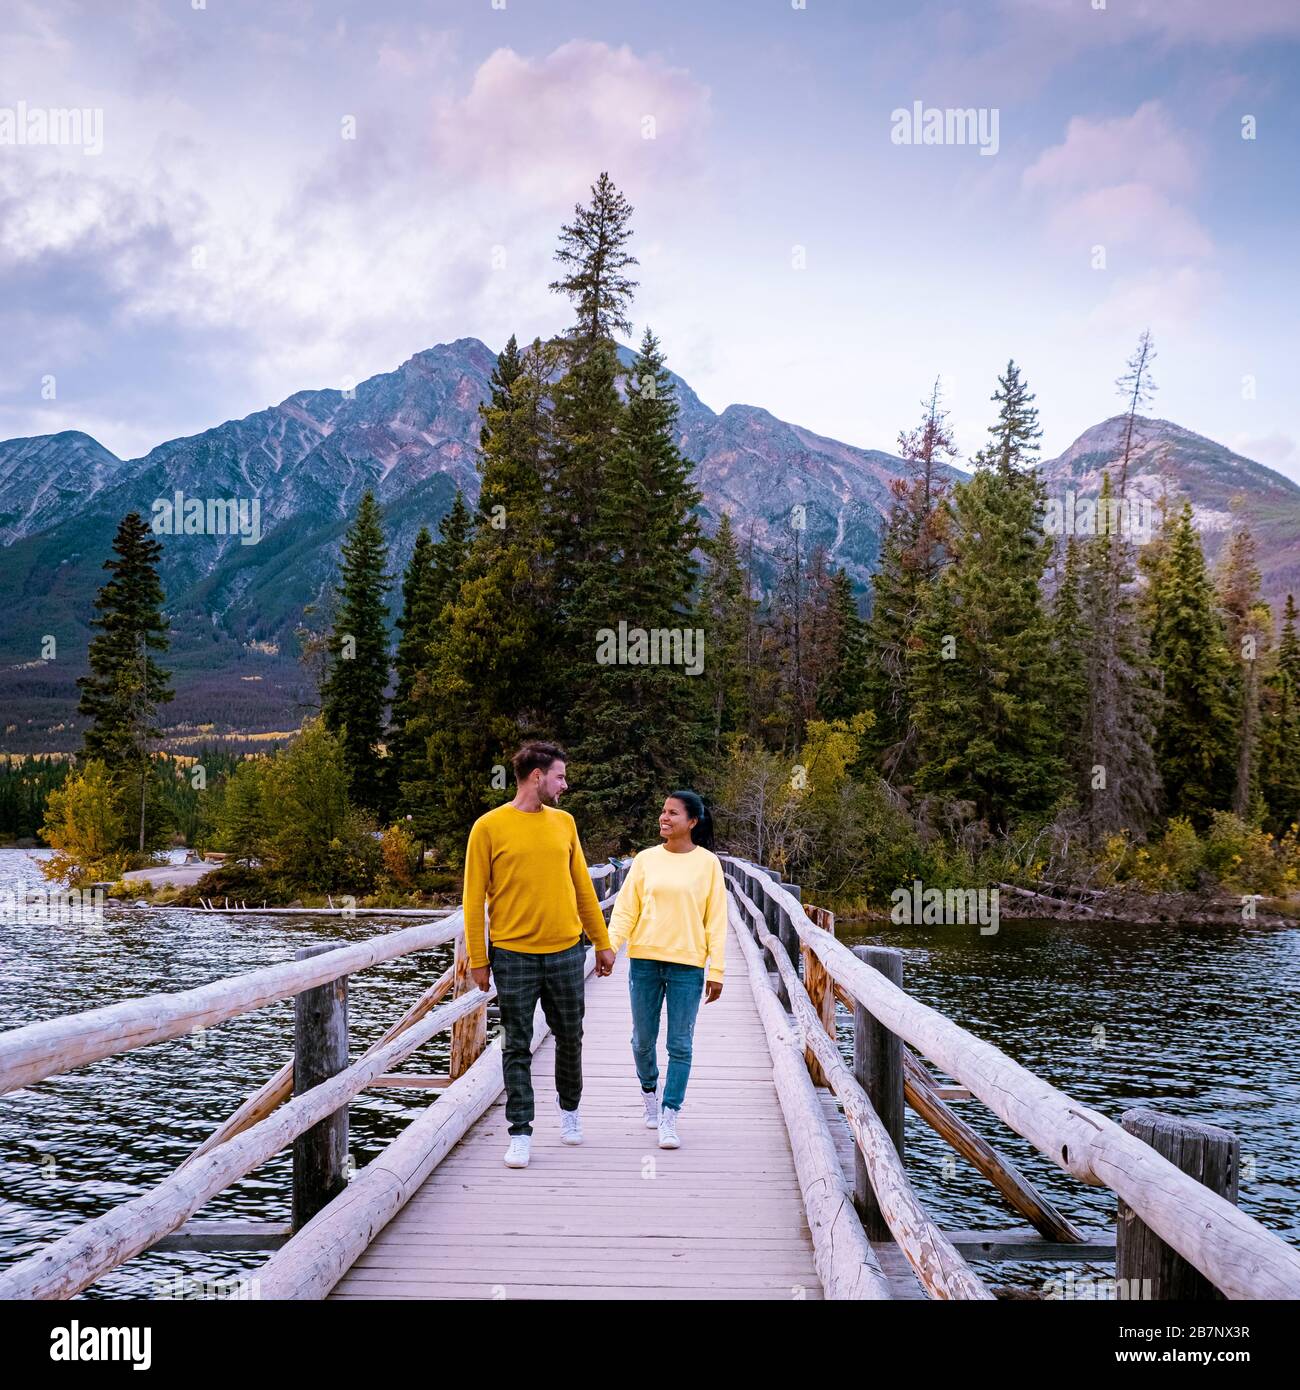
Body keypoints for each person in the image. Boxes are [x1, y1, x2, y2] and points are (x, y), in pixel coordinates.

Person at [463, 741, 616, 1169]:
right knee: (516, 1044)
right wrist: (479, 959)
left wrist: (601, 942)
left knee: (571, 1037)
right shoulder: (488, 827)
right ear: (537, 776)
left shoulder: (564, 824)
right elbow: (473, 900)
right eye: (560, 776)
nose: (565, 784)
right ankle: (520, 1131)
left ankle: (569, 1111)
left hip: (567, 951)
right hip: (513, 955)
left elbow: (583, 888)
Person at [606, 790, 726, 1149]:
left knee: (679, 1044)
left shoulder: (708, 864)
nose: (664, 818)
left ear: (692, 822)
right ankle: (649, 1093)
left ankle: (670, 1114)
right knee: (642, 1040)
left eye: (673, 813)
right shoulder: (645, 860)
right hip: (644, 959)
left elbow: (716, 921)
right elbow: (626, 909)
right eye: (663, 811)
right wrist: (609, 948)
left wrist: (716, 970)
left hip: (688, 965)